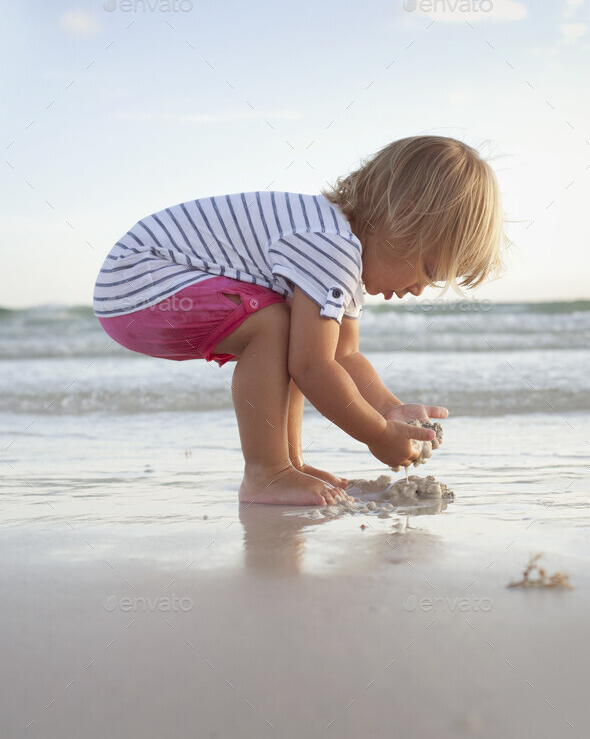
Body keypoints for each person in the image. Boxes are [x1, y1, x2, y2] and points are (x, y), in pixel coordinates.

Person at [93, 135, 504, 507]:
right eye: (429, 269)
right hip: (138, 283)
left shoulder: (340, 251)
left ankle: (287, 465)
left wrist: (390, 410)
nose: (419, 290)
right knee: (272, 324)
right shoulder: (331, 245)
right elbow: (313, 367)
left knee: (289, 326)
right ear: (405, 218)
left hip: (139, 287)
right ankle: (267, 473)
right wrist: (377, 435)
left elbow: (343, 355)